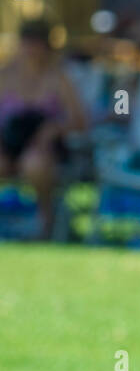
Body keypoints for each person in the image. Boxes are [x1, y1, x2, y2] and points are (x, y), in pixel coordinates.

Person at [0, 18, 88, 238]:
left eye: (35, 43)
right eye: (26, 43)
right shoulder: (6, 76)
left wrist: (52, 130)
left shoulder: (59, 78)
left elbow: (80, 121)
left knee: (34, 164)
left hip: (45, 148)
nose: (30, 49)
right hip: (9, 142)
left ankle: (45, 221)